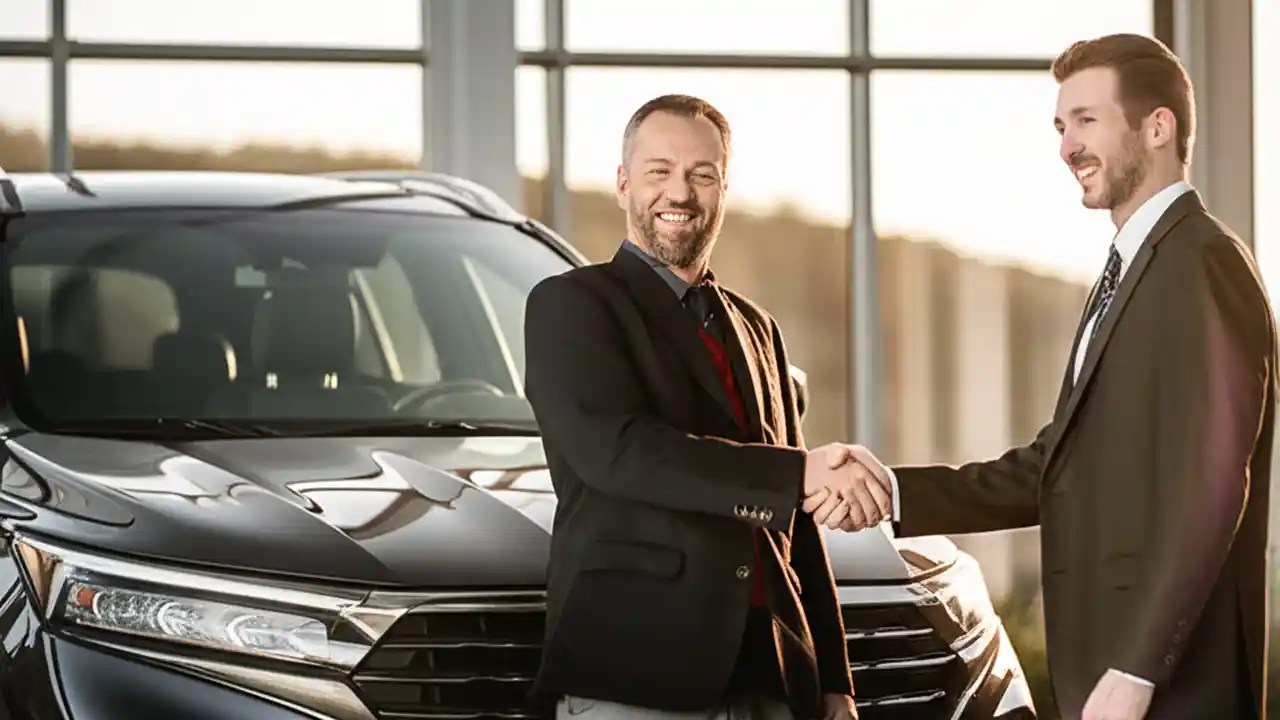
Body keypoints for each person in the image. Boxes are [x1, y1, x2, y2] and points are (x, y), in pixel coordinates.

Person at [809, 33, 1277, 720]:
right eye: (1062, 126)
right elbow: (1053, 468)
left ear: (1158, 127)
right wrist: (892, 493)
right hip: (1113, 679)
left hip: (1170, 690)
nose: (1067, 147)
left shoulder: (1202, 264)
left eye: (1086, 120)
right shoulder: (1127, 275)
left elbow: (1210, 486)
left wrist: (1139, 670)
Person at [523, 94, 890, 720]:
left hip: (771, 678)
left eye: (702, 174)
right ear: (622, 184)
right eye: (658, 171)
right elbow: (621, 454)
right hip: (634, 675)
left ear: (723, 189)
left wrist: (834, 678)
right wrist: (797, 475)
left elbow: (794, 524)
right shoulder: (573, 305)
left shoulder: (759, 328)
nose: (680, 193)